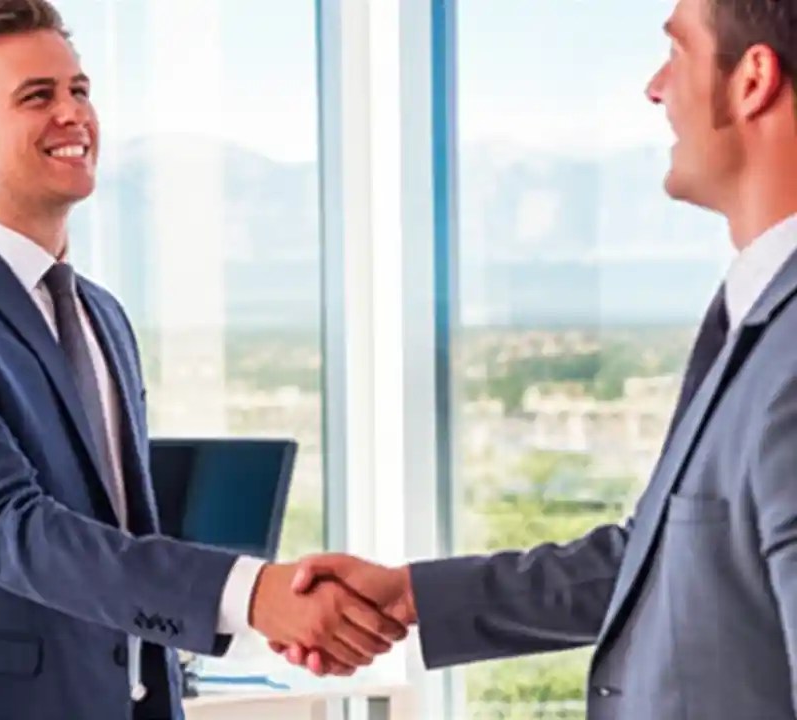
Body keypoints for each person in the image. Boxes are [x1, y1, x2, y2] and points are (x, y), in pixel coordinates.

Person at [0, 1, 405, 719]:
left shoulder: (100, 315)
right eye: (37, 96)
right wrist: (253, 596)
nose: (74, 115)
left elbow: (123, 536)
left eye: (79, 90)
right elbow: (15, 533)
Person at [272, 0, 797, 716]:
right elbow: (661, 560)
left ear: (753, 80)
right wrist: (413, 594)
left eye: (677, 52)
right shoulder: (756, 311)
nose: (654, 86)